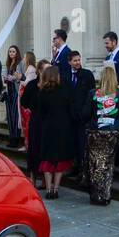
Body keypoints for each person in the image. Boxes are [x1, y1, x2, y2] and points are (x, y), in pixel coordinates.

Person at [85, 65, 119, 205]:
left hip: (95, 132)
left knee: (95, 164)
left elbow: (86, 113)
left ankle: (95, 195)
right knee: (108, 164)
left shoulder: (92, 93)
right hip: (113, 132)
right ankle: (105, 195)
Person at [33, 63, 75, 199]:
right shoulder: (65, 90)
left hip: (47, 127)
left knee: (47, 158)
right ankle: (56, 188)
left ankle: (49, 189)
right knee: (60, 159)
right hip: (63, 127)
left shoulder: (42, 92)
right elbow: (70, 109)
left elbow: (40, 113)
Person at [65, 51, 95, 178]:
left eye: (78, 60)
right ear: (69, 62)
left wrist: (85, 113)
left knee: (82, 143)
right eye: (75, 60)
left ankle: (83, 169)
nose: (77, 62)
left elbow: (92, 94)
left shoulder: (87, 75)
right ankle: (75, 166)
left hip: (83, 116)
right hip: (70, 116)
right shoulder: (65, 75)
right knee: (72, 143)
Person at [21, 60, 48, 181]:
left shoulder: (50, 85)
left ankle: (44, 179)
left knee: (45, 150)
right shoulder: (32, 85)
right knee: (33, 149)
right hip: (35, 120)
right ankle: (32, 177)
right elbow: (24, 101)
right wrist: (31, 109)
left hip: (47, 121)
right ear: (40, 70)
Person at [1, 46, 24, 148]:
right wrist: (5, 78)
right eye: (10, 51)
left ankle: (16, 139)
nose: (11, 53)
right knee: (10, 117)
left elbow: (23, 77)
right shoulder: (7, 63)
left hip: (16, 92)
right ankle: (11, 138)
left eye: (13, 51)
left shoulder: (20, 63)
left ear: (17, 53)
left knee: (15, 117)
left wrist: (14, 78)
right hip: (8, 92)